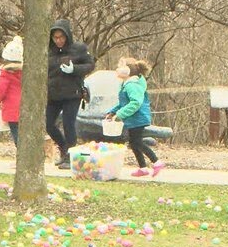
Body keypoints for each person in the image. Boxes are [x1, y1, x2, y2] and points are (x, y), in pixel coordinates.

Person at [46, 20, 94, 169]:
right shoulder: (49, 51)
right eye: (56, 38)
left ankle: (71, 157)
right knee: (48, 124)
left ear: (67, 36)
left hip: (72, 93)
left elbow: (90, 65)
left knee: (68, 124)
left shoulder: (78, 49)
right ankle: (64, 148)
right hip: (54, 94)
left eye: (61, 37)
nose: (59, 40)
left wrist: (75, 69)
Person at [104, 57, 163, 177]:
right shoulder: (126, 84)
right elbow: (123, 103)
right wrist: (113, 112)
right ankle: (143, 168)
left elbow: (135, 103)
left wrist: (120, 115)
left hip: (138, 118)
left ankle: (156, 162)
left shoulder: (132, 85)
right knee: (133, 142)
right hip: (132, 119)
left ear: (127, 71)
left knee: (137, 142)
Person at [0, 36, 24, 146]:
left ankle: (21, 156)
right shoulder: (25, 72)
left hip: (12, 109)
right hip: (26, 107)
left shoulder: (6, 74)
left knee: (17, 136)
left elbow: (1, 90)